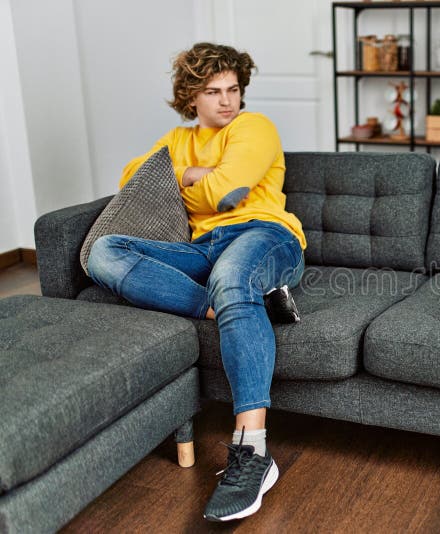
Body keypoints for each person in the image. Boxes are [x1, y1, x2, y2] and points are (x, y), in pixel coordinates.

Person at [86, 42, 305, 522]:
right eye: (213, 91)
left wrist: (186, 179)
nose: (227, 101)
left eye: (233, 89)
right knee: (101, 252)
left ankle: (252, 452)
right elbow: (131, 178)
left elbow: (230, 193)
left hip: (264, 235)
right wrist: (193, 169)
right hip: (203, 248)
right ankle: (229, 306)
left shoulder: (254, 127)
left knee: (231, 277)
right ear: (191, 98)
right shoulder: (176, 139)